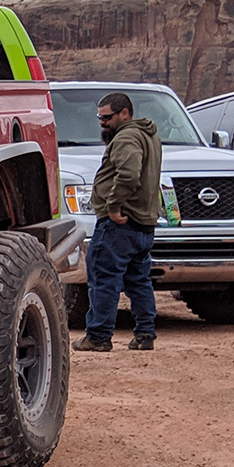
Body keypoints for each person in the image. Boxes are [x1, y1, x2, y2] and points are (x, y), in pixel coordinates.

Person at [73, 93, 161, 352]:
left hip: (121, 223)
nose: (102, 122)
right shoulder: (149, 135)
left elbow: (129, 174)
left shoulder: (126, 137)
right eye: (100, 117)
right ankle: (145, 335)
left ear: (125, 113)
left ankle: (98, 337)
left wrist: (113, 206)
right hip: (143, 223)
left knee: (103, 277)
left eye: (107, 117)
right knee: (138, 279)